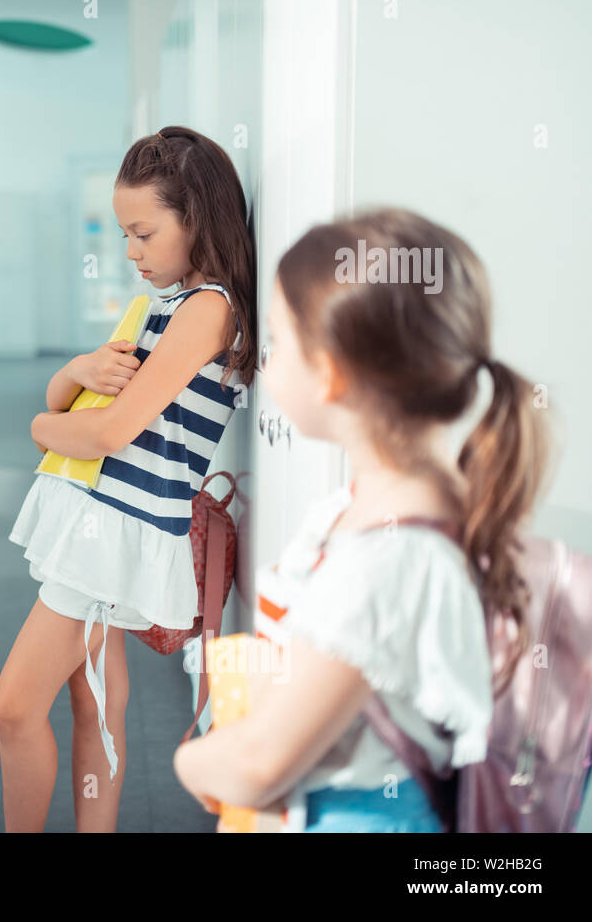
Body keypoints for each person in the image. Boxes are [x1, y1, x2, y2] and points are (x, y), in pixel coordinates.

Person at [173, 207, 549, 831]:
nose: (267, 361)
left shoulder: (391, 557)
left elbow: (259, 763)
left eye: (278, 342)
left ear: (331, 374)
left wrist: (194, 763)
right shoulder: (386, 511)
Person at [0, 127, 257, 831]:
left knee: (13, 708)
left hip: (112, 527)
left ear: (196, 218)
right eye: (124, 235)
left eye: (143, 233)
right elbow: (74, 398)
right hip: (103, 519)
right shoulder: (166, 304)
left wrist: (35, 429)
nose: (131, 252)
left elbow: (106, 430)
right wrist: (74, 373)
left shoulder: (208, 308)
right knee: (95, 705)